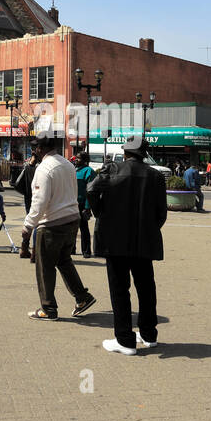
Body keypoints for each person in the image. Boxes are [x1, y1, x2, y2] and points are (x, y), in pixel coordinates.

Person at [88, 135, 166, 354]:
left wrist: (100, 213)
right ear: (144, 154)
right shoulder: (156, 176)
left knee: (120, 288)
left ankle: (124, 339)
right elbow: (161, 214)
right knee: (146, 287)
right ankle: (149, 334)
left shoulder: (112, 169)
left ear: (125, 152)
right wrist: (150, 228)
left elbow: (91, 190)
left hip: (115, 239)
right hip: (144, 240)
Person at [22, 133, 96, 321]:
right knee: (63, 260)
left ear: (40, 149)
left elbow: (39, 201)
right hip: (71, 219)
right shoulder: (67, 164)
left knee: (45, 266)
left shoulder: (44, 168)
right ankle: (82, 297)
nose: (34, 150)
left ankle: (48, 308)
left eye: (35, 147)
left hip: (52, 223)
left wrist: (28, 226)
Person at [75, 151, 95, 257]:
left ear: (85, 160)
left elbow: (90, 191)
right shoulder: (74, 170)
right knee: (72, 228)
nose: (76, 159)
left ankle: (86, 251)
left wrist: (87, 207)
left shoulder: (89, 171)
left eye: (78, 158)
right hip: (72, 204)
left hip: (82, 204)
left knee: (84, 228)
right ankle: (71, 249)